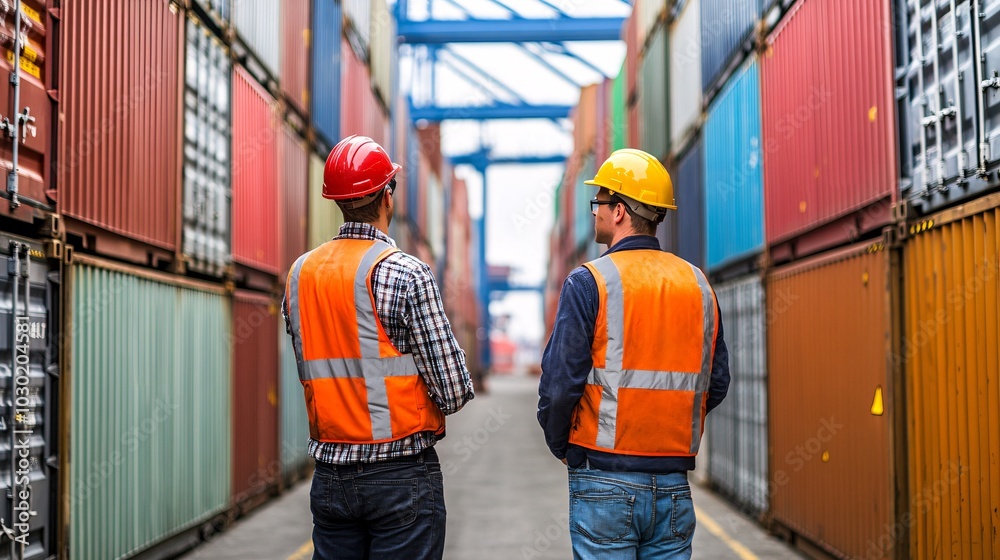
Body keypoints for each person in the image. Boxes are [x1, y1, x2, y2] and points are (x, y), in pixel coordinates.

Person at [283, 135, 474, 560]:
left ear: (336, 201)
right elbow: (455, 390)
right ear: (388, 196)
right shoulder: (406, 273)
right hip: (400, 475)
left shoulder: (300, 275)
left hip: (331, 479)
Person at [537, 148, 730, 559]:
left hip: (604, 479)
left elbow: (559, 385)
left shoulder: (589, 281)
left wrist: (564, 445)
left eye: (600, 203)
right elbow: (716, 382)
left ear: (620, 210)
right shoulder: (697, 285)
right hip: (674, 485)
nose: (595, 212)